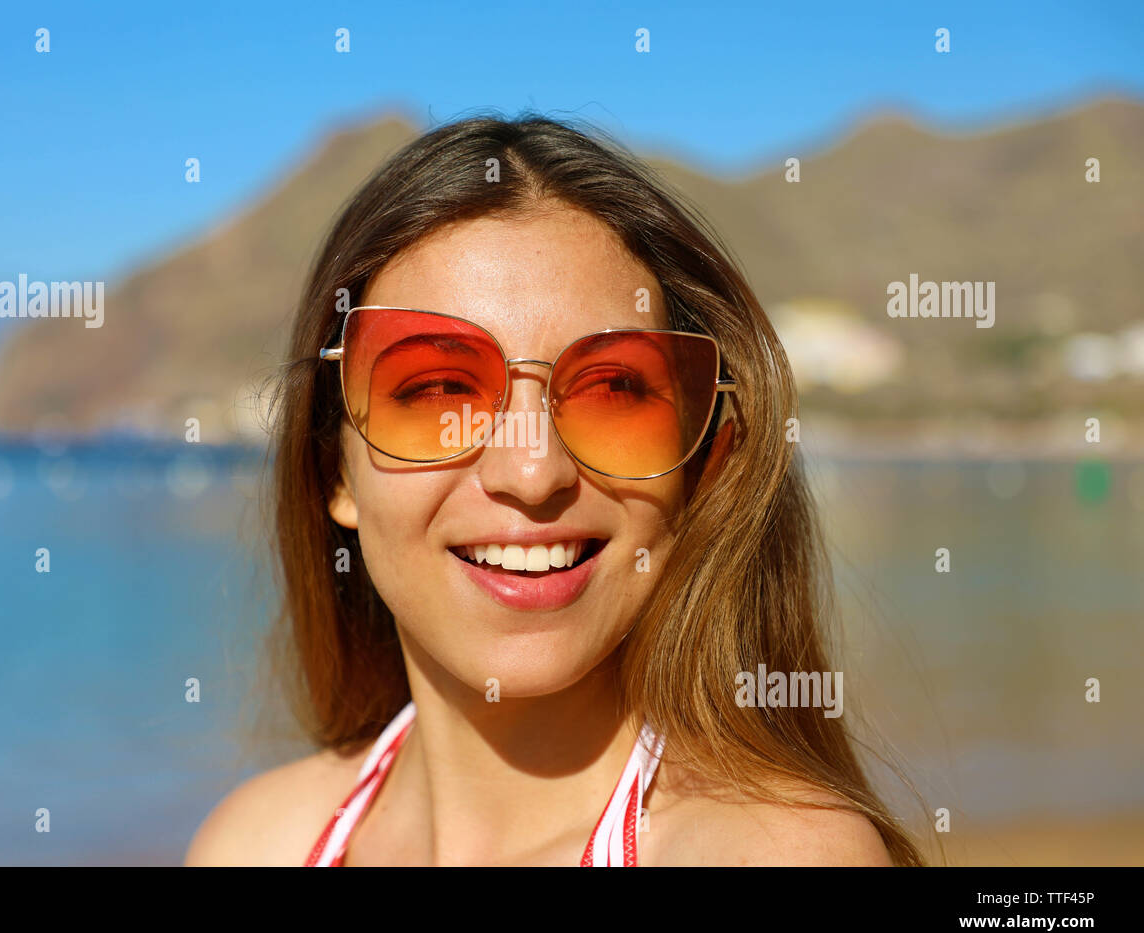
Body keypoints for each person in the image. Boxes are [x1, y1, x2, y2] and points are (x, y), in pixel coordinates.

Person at [186, 113, 922, 866]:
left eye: (613, 390)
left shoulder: (776, 856)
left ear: (701, 462)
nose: (533, 475)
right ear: (333, 467)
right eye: (440, 388)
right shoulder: (253, 845)